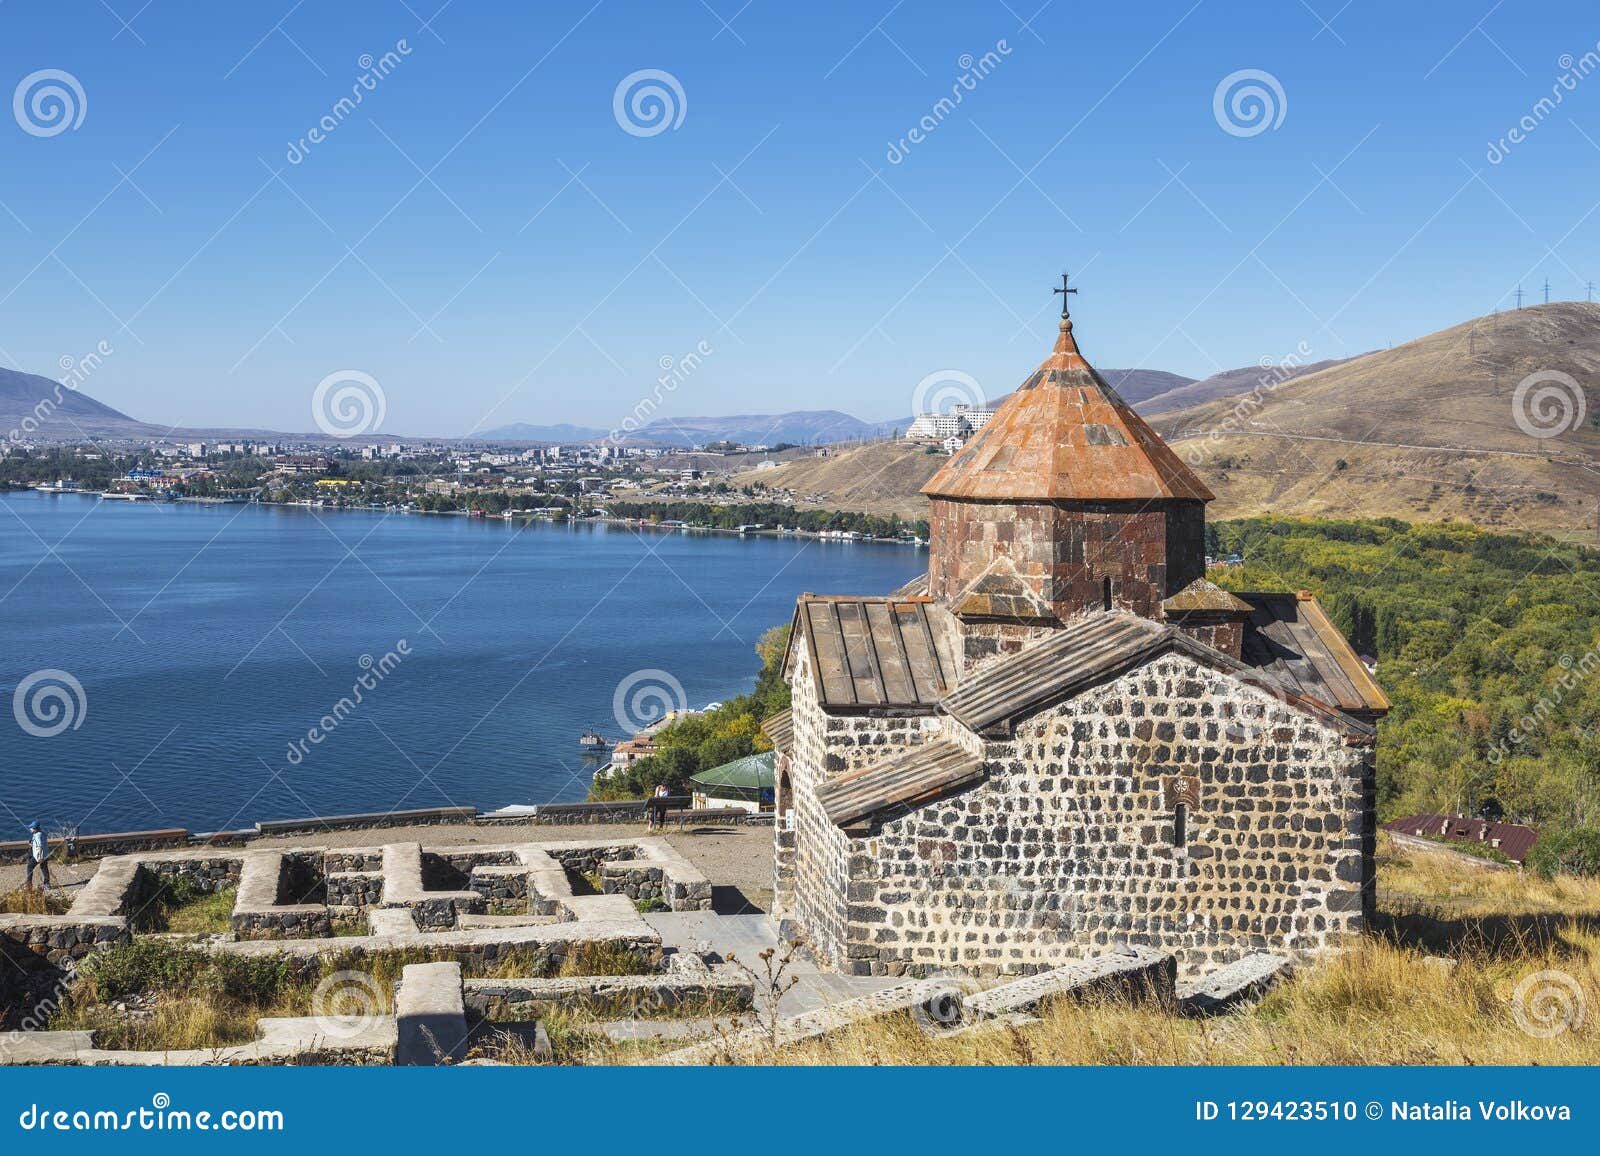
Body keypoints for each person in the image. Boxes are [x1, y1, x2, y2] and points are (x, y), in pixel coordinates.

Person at [24, 821, 50, 890]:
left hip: (38, 856)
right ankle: (47, 884)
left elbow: (40, 846)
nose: (30, 829)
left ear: (35, 828)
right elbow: (41, 843)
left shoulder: (37, 835)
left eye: (31, 828)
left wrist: (39, 857)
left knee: (29, 867)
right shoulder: (42, 833)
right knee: (44, 869)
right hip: (45, 855)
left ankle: (29, 884)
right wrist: (32, 844)